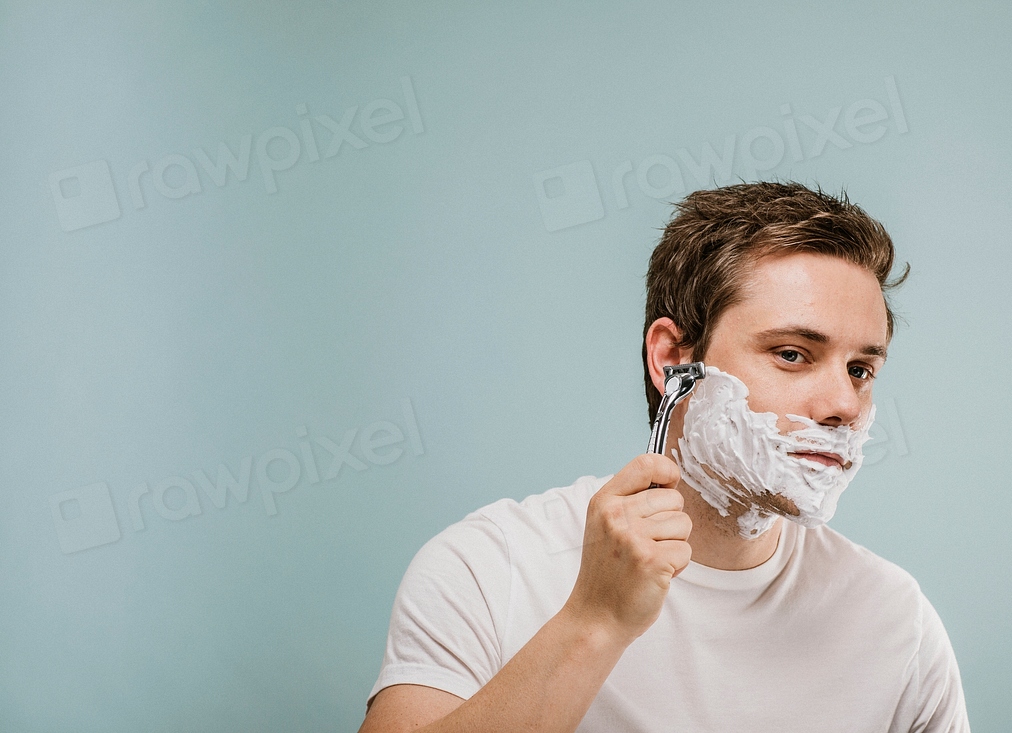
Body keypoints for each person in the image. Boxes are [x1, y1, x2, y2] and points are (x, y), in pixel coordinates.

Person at [358, 182, 970, 732]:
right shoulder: (491, 569)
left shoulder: (896, 623)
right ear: (674, 359)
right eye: (791, 353)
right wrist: (594, 621)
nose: (843, 403)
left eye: (861, 369)